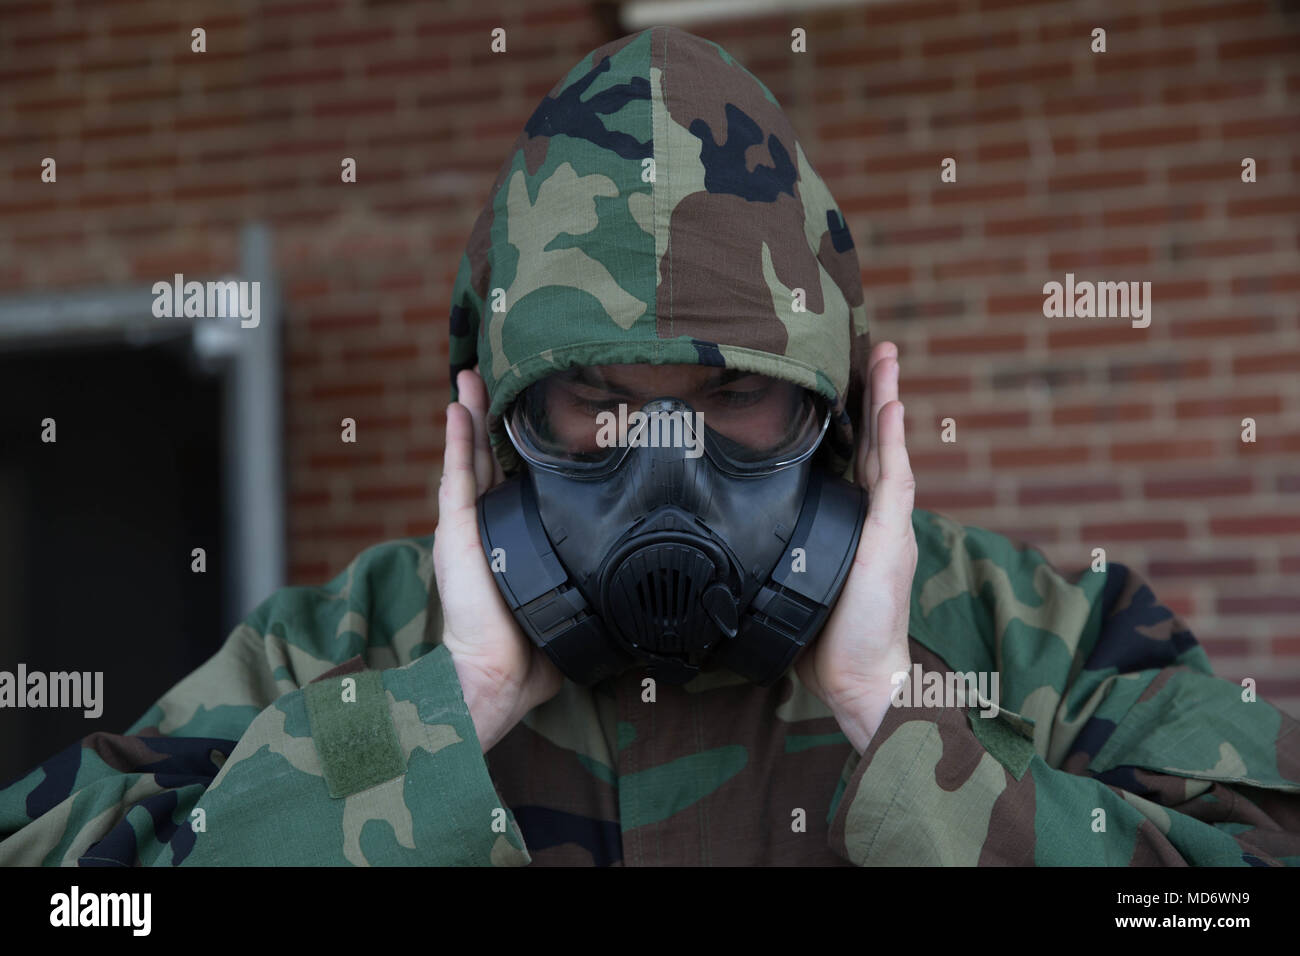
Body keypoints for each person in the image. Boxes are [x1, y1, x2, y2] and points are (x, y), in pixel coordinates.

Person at [2, 25, 1298, 867]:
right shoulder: (336, 655)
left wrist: (898, 718)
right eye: (598, 401)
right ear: (489, 421)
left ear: (850, 414)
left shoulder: (1043, 642)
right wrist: (437, 712)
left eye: (737, 399)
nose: (665, 466)